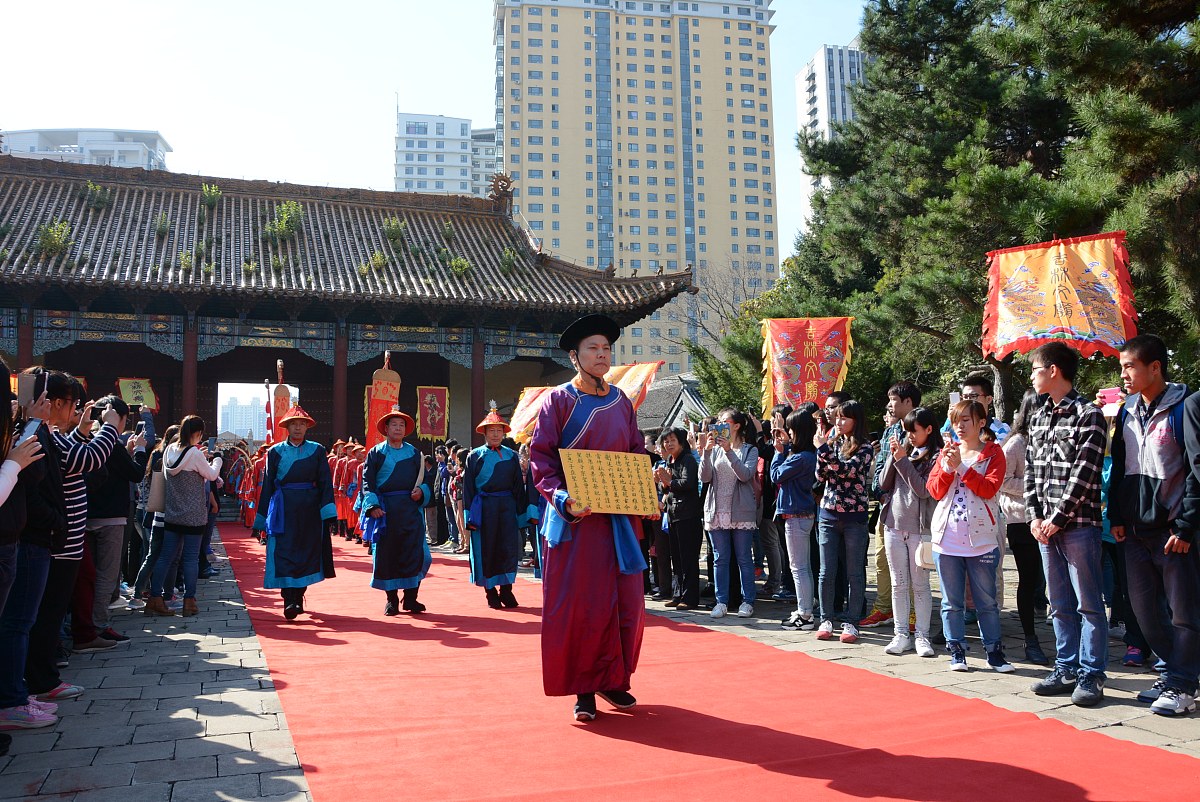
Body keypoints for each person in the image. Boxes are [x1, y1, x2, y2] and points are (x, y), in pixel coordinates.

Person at [531, 313, 649, 722]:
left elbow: (636, 452)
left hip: (618, 518)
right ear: (574, 356)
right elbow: (541, 460)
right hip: (576, 521)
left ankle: (613, 678)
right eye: (592, 348)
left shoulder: (621, 402)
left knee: (625, 602)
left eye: (606, 348)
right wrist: (563, 498)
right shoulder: (559, 401)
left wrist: (648, 486)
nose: (601, 355)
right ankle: (584, 689)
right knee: (582, 604)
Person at [1108, 334, 1198, 716]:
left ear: (1155, 367)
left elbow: (1196, 469)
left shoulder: (1186, 405)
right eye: (1122, 367)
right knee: (1144, 612)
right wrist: (1115, 515)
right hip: (1133, 531)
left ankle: (1182, 684)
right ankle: (1176, 672)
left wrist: (1186, 525)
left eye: (1129, 366)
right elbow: (1119, 466)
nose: (1124, 375)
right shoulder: (1127, 409)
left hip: (1172, 531)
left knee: (1184, 613)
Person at [1025, 342, 1109, 707]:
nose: (1031, 376)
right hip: (1045, 528)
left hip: (1079, 526)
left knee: (1089, 604)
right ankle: (1066, 667)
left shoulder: (1088, 414)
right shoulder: (1038, 415)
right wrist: (1034, 516)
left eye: (1035, 369)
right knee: (1058, 603)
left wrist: (1057, 519)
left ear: (1053, 370)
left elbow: (1085, 474)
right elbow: (1031, 471)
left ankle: (1092, 674)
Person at [927, 401, 1012, 672]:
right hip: (947, 539)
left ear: (981, 422)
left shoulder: (993, 453)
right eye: (956, 421)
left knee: (986, 602)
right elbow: (934, 490)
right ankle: (956, 652)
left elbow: (988, 489)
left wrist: (962, 468)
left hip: (982, 540)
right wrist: (948, 467)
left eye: (966, 420)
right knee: (951, 603)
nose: (960, 426)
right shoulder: (947, 452)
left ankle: (994, 653)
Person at [253, 406, 336, 620]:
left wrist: (328, 513)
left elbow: (325, 482)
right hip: (283, 509)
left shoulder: (317, 450)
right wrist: (261, 519)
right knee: (284, 550)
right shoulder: (275, 452)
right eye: (294, 424)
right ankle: (288, 599)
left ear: (307, 427)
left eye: (302, 424)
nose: (298, 428)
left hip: (310, 510)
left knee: (307, 552)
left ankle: (299, 596)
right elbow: (268, 485)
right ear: (287, 428)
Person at [82, 395, 147, 641]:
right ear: (118, 418)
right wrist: (139, 450)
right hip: (110, 517)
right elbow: (136, 474)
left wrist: (127, 451)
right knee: (106, 576)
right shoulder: (111, 445)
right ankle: (97, 625)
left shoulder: (91, 440)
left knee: (90, 575)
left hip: (89, 515)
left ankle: (86, 623)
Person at [146, 415, 222, 618]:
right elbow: (212, 475)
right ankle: (189, 601)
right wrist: (217, 460)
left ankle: (155, 598)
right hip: (194, 515)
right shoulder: (194, 453)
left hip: (172, 513)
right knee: (190, 559)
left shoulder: (169, 450)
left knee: (166, 556)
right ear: (197, 433)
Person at [879, 407, 940, 657]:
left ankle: (922, 636)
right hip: (893, 524)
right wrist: (894, 457)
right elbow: (883, 483)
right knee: (898, 583)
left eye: (914, 431)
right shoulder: (904, 451)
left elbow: (923, 490)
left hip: (920, 529)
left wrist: (903, 460)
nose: (910, 436)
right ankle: (901, 634)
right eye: (906, 432)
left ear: (929, 429)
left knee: (920, 585)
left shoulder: (937, 457)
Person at [361, 406, 431, 616]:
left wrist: (422, 491)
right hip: (386, 511)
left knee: (417, 554)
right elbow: (367, 482)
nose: (398, 428)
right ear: (386, 428)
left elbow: (426, 481)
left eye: (401, 425)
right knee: (388, 555)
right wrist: (373, 505)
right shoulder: (376, 453)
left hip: (410, 510)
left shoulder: (415, 454)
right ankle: (391, 600)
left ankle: (411, 598)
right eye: (394, 425)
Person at [814, 399, 874, 644]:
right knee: (826, 572)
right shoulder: (832, 444)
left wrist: (825, 453)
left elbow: (847, 470)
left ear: (855, 420)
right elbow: (820, 475)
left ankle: (852, 622)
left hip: (854, 516)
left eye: (844, 417)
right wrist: (825, 454)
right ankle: (826, 619)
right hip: (828, 514)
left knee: (854, 573)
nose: (838, 422)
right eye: (837, 417)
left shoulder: (865, 447)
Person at [464, 404, 533, 609]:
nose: (495, 434)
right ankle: (490, 591)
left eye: (499, 430)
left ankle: (507, 589)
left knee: (508, 548)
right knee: (487, 548)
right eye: (491, 430)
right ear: (484, 433)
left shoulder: (512, 456)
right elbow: (468, 489)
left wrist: (522, 514)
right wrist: (469, 516)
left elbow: (518, 487)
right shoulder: (474, 456)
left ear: (504, 433)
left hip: (507, 507)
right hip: (484, 508)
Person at [865, 381, 921, 630]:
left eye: (894, 400)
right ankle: (883, 607)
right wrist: (880, 493)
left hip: (913, 508)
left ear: (908, 402)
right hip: (887, 507)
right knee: (882, 559)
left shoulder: (920, 427)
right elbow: (880, 466)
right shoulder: (890, 431)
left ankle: (914, 612)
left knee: (914, 564)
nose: (889, 405)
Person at [1000, 389, 1050, 665]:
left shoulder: (1052, 437)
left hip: (1052, 519)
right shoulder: (1016, 443)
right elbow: (1002, 480)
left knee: (1050, 580)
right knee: (1028, 580)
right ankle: (1030, 638)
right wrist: (1035, 487)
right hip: (1021, 520)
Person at [700, 408, 760, 619]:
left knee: (744, 558)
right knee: (720, 558)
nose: (720, 425)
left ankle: (748, 601)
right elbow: (704, 477)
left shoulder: (750, 450)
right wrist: (706, 452)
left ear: (737, 425)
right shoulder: (714, 450)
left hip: (741, 510)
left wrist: (729, 451)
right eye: (718, 421)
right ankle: (721, 601)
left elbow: (745, 475)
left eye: (724, 421)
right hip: (717, 509)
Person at [771, 409, 818, 631]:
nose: (788, 433)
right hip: (803, 514)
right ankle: (805, 609)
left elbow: (776, 475)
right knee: (803, 567)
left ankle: (805, 614)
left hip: (796, 515)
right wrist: (785, 447)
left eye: (791, 429)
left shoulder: (800, 458)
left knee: (798, 568)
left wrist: (778, 452)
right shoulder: (808, 455)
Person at [655, 427, 702, 610]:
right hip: (673, 514)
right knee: (676, 557)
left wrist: (669, 481)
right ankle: (677, 594)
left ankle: (690, 598)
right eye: (666, 441)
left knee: (688, 558)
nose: (669, 444)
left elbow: (688, 483)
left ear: (681, 441)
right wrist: (661, 482)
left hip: (688, 515)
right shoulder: (669, 460)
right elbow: (667, 489)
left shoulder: (688, 459)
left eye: (672, 440)